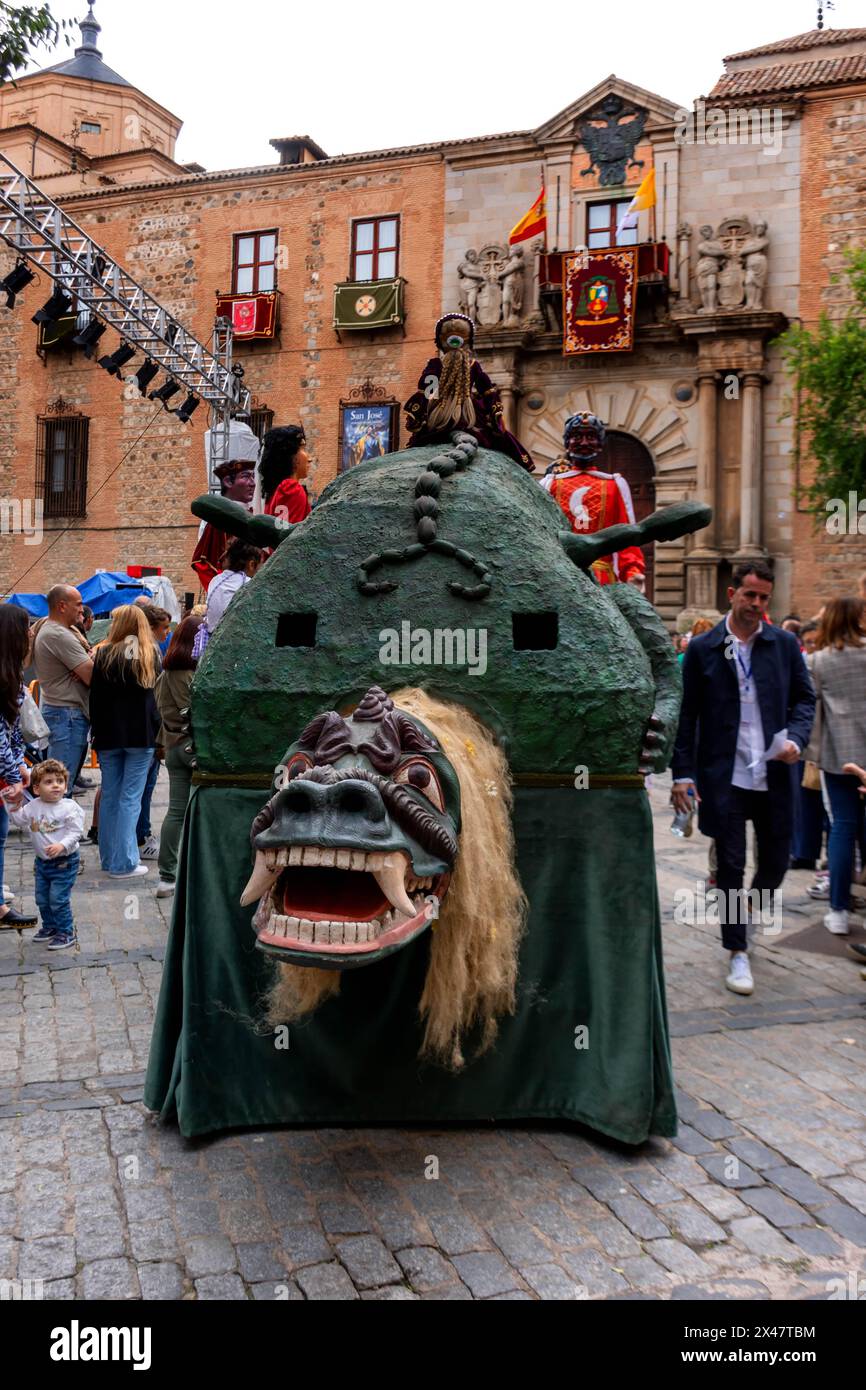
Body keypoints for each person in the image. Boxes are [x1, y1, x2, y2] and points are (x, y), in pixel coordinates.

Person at [671, 561, 815, 996]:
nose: (756, 604)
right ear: (731, 593)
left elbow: (805, 700)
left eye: (764, 598)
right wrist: (681, 773)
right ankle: (736, 949)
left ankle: (749, 909)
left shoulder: (784, 645)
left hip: (774, 773)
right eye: (749, 595)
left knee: (775, 862)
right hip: (725, 778)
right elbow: (687, 715)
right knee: (730, 866)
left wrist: (796, 736)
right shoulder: (704, 648)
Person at [404, 314, 535, 472]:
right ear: (467, 342)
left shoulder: (434, 365)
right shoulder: (473, 365)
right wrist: (495, 418)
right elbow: (488, 393)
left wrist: (422, 417)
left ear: (441, 342)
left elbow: (428, 394)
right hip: (469, 415)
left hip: (438, 418)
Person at [809, 597, 866, 936]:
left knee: (842, 827)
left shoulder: (818, 661)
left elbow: (812, 710)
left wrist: (811, 751)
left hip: (838, 754)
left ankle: (839, 909)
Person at [89, 606, 160, 879]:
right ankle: (125, 862)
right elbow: (157, 700)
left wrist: (95, 730)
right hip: (140, 735)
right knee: (130, 797)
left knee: (110, 795)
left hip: (108, 734)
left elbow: (95, 698)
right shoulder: (149, 654)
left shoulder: (104, 654)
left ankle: (110, 859)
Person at [540, 413, 645, 589]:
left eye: (590, 436)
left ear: (600, 443)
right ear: (567, 442)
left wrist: (632, 571)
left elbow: (627, 534)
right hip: (560, 577)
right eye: (577, 436)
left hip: (603, 580)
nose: (584, 443)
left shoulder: (614, 484)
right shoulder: (550, 484)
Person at [7, 759, 84, 950]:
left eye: (59, 781)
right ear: (36, 788)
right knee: (42, 898)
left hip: (64, 862)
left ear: (66, 786)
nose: (55, 785)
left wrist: (61, 845)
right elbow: (19, 820)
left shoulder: (70, 807)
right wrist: (12, 805)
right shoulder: (34, 806)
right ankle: (50, 927)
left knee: (58, 899)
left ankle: (66, 932)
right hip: (42, 863)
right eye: (48, 782)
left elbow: (76, 832)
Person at [154, 615, 202, 898]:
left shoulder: (166, 671)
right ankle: (189, 870)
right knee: (199, 812)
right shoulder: (190, 674)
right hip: (192, 747)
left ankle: (167, 876)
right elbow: (195, 713)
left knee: (175, 812)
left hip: (173, 746)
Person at [32, 585, 94, 792]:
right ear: (61, 606)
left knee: (59, 786)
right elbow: (92, 675)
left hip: (64, 715)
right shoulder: (59, 635)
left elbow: (88, 667)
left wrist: (89, 660)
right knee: (59, 789)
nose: (82, 609)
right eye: (78, 604)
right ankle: (54, 826)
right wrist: (88, 664)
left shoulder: (61, 631)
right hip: (66, 716)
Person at [0, 604, 37, 927]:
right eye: (26, 627)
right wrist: (13, 772)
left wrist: (20, 764)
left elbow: (10, 729)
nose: (29, 632)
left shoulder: (11, 670)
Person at [134, 605, 173, 860]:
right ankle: (141, 835)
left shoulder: (148, 651)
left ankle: (140, 834)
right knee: (142, 789)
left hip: (145, 728)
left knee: (141, 788)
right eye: (164, 627)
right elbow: (153, 696)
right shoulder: (148, 653)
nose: (167, 632)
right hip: (147, 729)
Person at [192, 541, 263, 659]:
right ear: (251, 564)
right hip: (234, 647)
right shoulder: (249, 584)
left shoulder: (215, 580)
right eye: (259, 566)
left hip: (212, 644)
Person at [259, 426, 312, 525]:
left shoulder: (279, 487)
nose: (309, 459)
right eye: (303, 449)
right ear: (293, 457)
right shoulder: (290, 489)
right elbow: (286, 535)